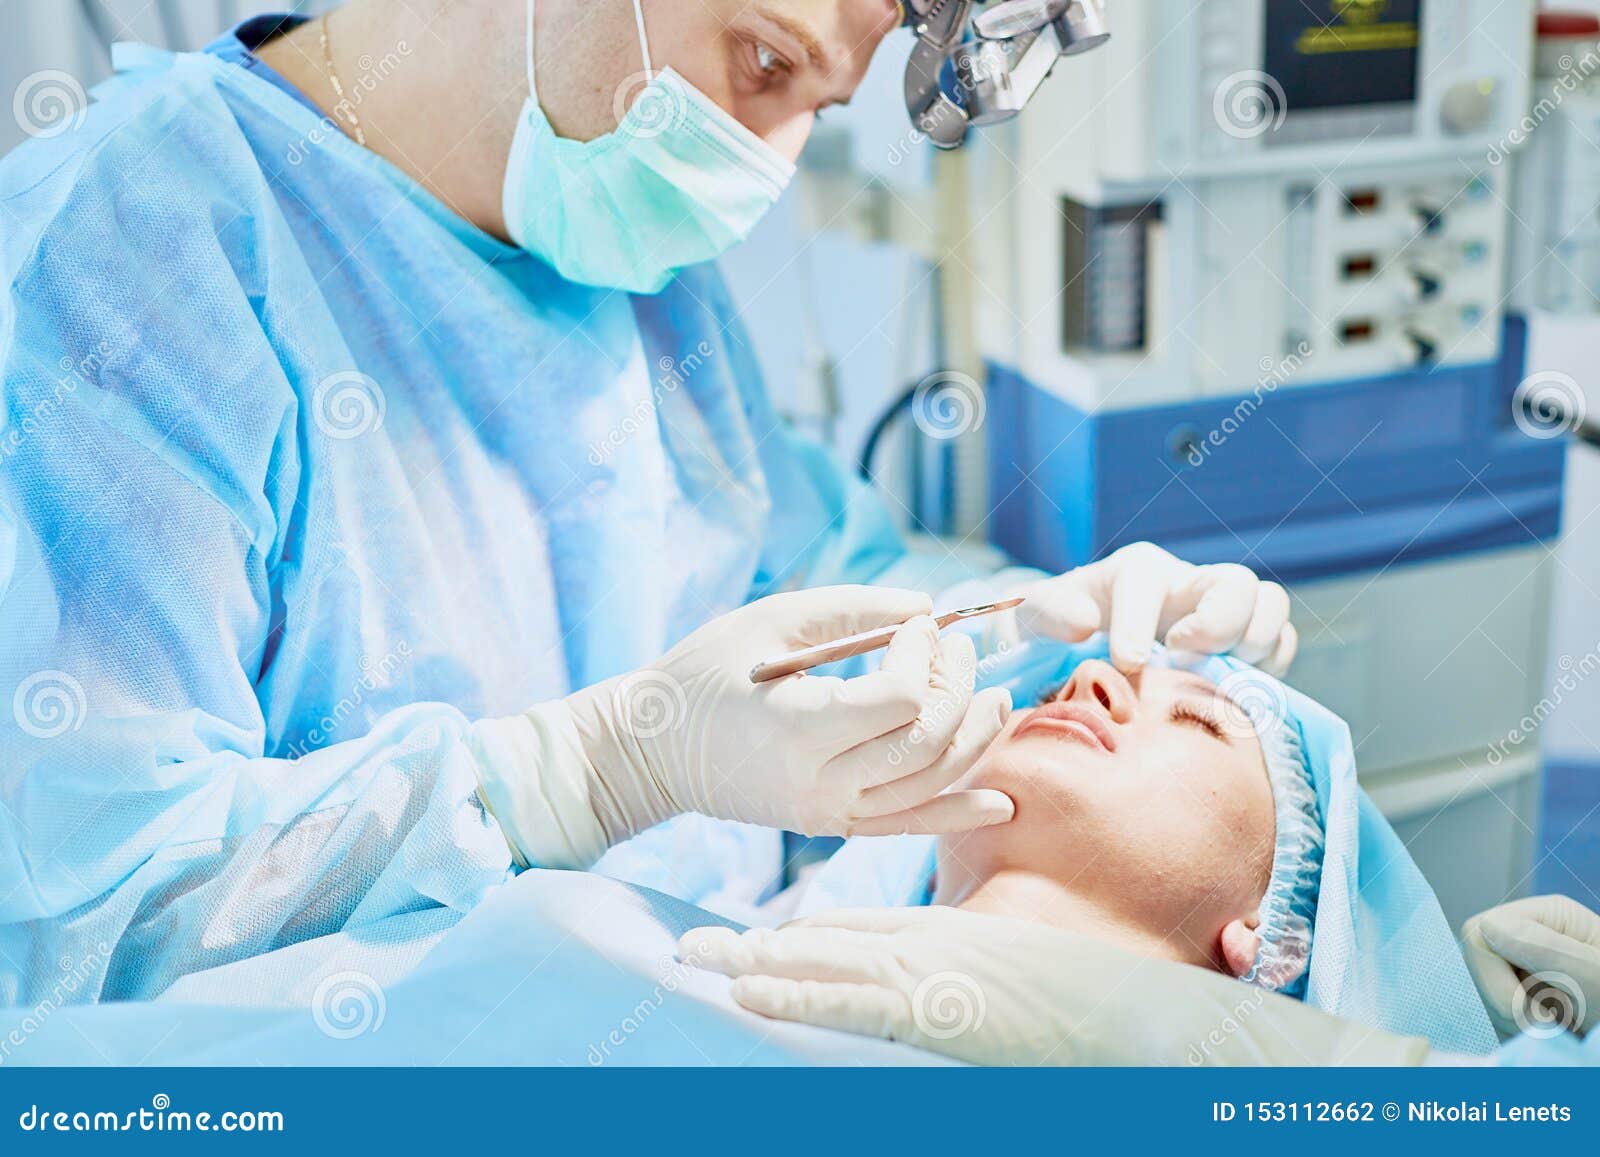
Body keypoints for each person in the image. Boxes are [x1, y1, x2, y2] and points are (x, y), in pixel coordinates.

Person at [0, 0, 1296, 1006]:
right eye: (762, 60)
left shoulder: (610, 239)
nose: (764, 159)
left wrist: (1017, 621)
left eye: (817, 104)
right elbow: (75, 918)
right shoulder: (116, 260)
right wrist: (580, 775)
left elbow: (795, 582)